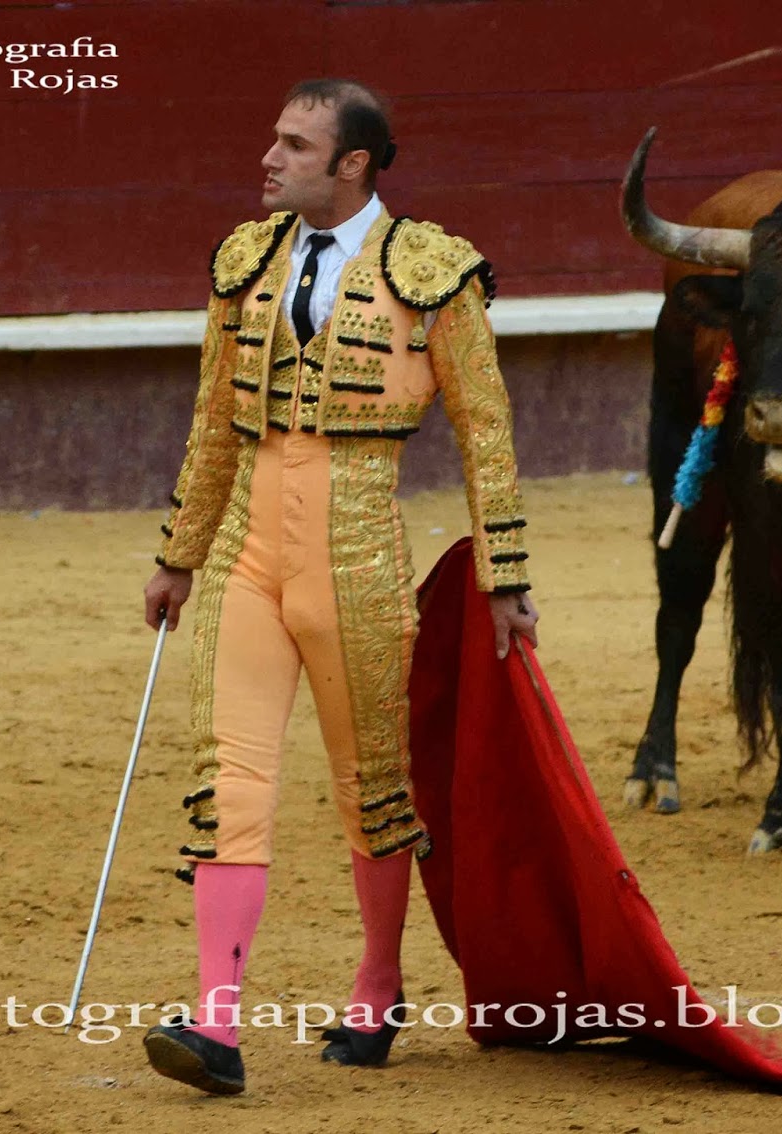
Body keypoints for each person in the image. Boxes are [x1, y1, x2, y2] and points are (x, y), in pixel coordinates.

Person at [138, 77, 538, 1095]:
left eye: (294, 144)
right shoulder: (245, 261)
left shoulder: (434, 275)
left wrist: (504, 576)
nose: (269, 158)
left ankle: (377, 983)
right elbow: (210, 422)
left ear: (352, 163)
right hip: (244, 552)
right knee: (228, 780)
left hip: (359, 549)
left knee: (374, 790)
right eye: (274, 139)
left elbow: (485, 432)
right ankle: (216, 1023)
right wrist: (180, 553)